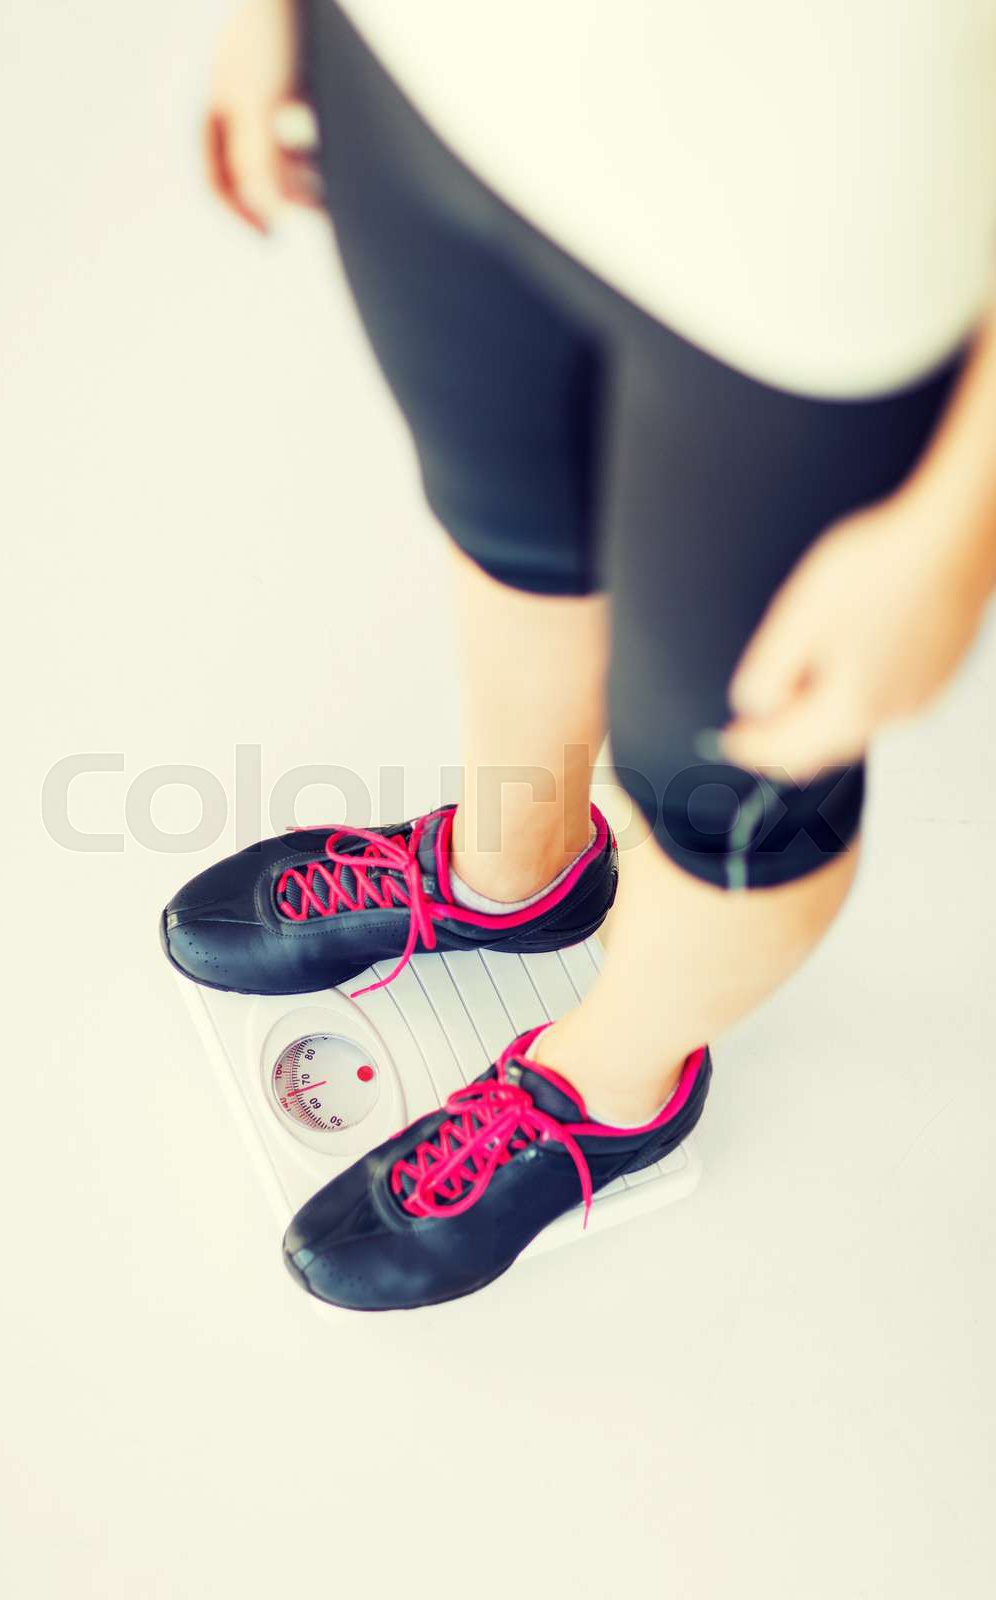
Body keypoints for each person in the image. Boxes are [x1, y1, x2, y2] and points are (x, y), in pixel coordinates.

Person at [164, 0, 996, 1310]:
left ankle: (614, 1090)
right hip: (427, 80)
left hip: (808, 261)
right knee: (512, 543)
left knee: (732, 774)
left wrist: (970, 505)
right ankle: (511, 878)